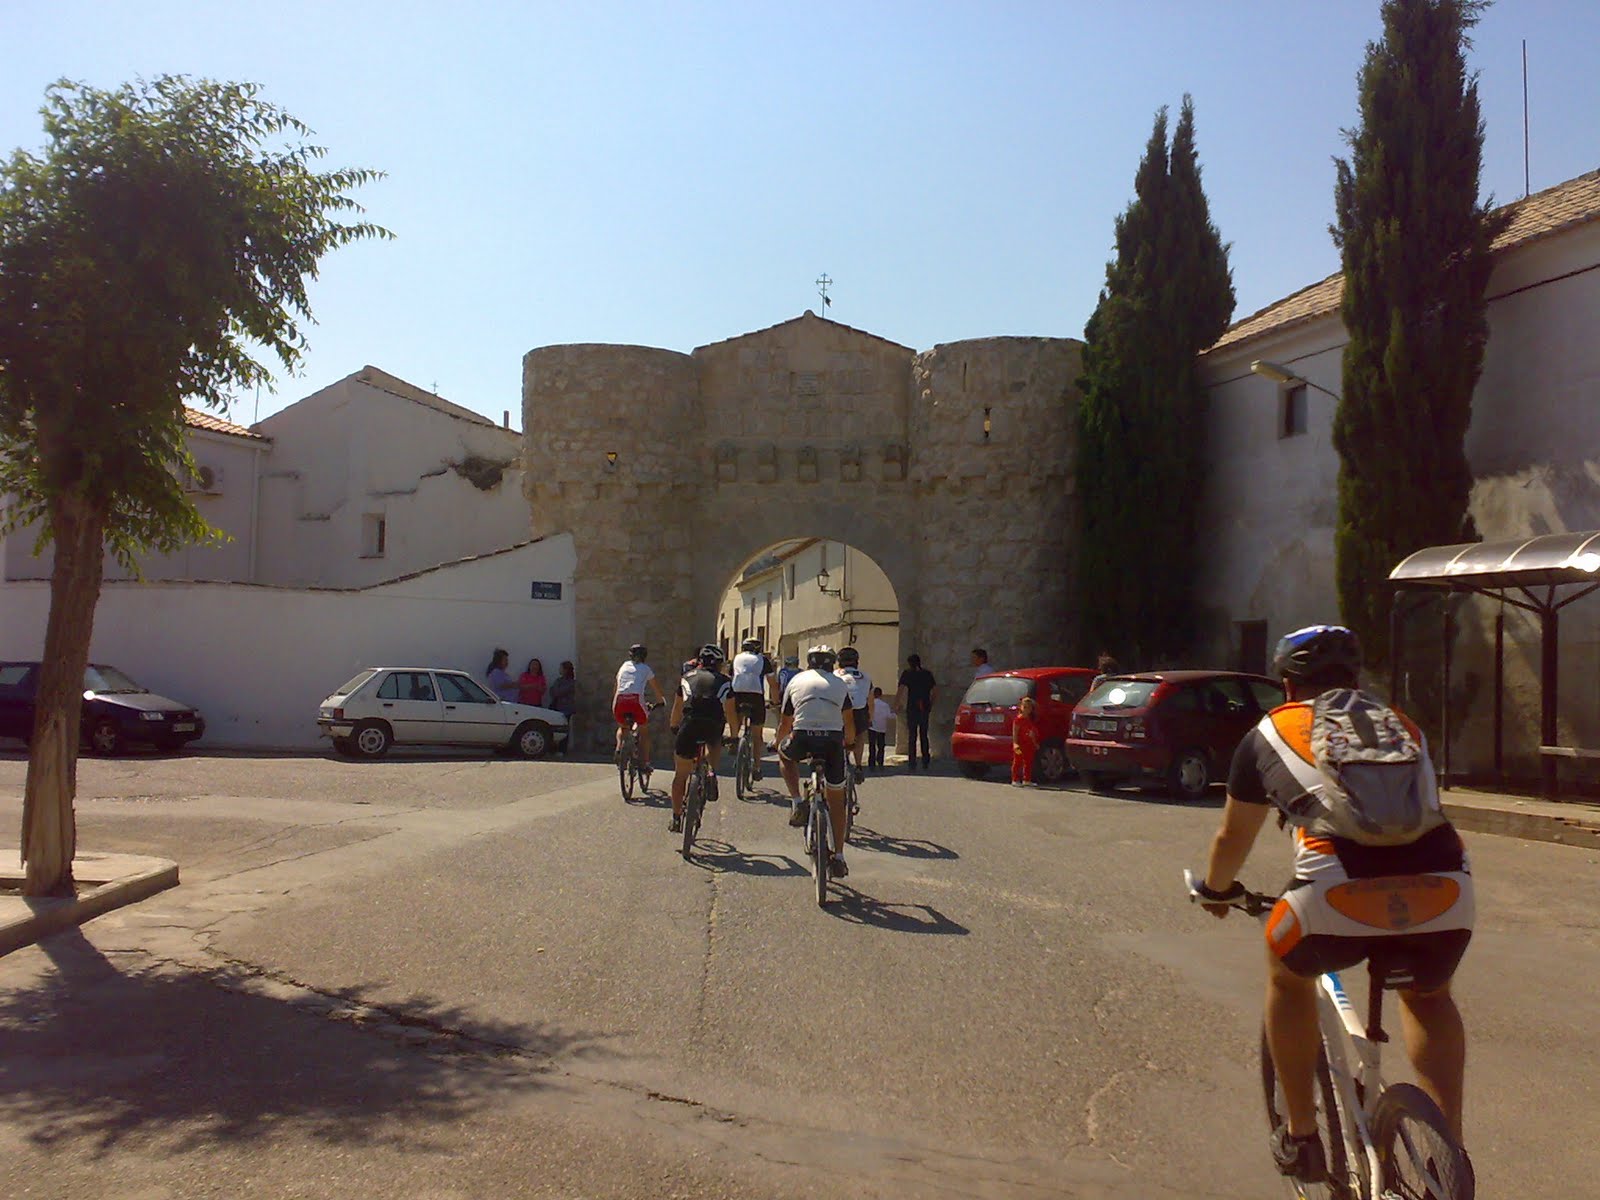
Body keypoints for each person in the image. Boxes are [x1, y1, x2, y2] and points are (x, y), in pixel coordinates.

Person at [1197, 624, 1475, 1187]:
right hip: (1445, 885)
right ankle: (1450, 1155)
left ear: (1285, 682)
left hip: (1336, 895)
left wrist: (1217, 890)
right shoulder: (1403, 726)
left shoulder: (1269, 731)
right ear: (1356, 678)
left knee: (1287, 975)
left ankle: (1302, 1137)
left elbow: (1232, 840)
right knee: (1428, 997)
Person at [776, 644, 857, 878]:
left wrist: (778, 742)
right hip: (832, 741)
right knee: (836, 799)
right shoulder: (840, 684)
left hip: (802, 737)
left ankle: (798, 800)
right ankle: (839, 856)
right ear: (832, 663)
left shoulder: (797, 681)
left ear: (809, 662)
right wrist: (849, 742)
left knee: (784, 755)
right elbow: (848, 721)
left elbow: (785, 722)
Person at [667, 645, 737, 834]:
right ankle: (712, 772)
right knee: (714, 742)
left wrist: (674, 726)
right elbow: (731, 712)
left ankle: (675, 817)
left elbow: (677, 707)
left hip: (689, 724)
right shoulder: (725, 681)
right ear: (720, 664)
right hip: (713, 725)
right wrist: (734, 736)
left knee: (680, 775)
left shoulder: (686, 678)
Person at [613, 644, 668, 769]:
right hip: (635, 700)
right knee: (644, 731)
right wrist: (661, 701)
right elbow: (656, 688)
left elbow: (616, 687)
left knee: (622, 727)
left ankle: (619, 748)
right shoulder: (645, 669)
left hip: (619, 700)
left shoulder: (623, 666)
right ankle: (645, 762)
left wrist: (614, 703)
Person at [729, 637, 778, 761]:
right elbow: (772, 684)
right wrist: (775, 702)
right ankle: (757, 766)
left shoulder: (736, 658)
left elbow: (730, 676)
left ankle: (734, 738)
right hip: (756, 696)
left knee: (736, 718)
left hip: (737, 693)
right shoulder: (763, 660)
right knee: (757, 735)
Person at [835, 646, 873, 783]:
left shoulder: (835, 675)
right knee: (860, 735)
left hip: (840, 710)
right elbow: (870, 700)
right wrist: (870, 717)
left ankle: (841, 760)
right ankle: (858, 766)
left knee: (839, 734)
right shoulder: (866, 677)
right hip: (860, 710)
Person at [896, 653, 937, 771]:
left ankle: (912, 761)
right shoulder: (927, 674)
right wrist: (931, 703)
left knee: (912, 735)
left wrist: (897, 704)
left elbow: (901, 690)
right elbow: (935, 690)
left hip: (912, 707)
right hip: (924, 706)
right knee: (924, 734)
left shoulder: (907, 674)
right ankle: (925, 760)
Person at [548, 660, 576, 754]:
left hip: (566, 709)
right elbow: (552, 691)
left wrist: (556, 691)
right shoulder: (559, 680)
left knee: (564, 729)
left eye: (561, 668)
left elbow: (559, 692)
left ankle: (562, 749)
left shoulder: (571, 682)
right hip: (557, 707)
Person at [1011, 695, 1040, 787]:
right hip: (1020, 744)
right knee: (1018, 761)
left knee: (1028, 762)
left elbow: (1031, 733)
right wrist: (1015, 743)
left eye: (1029, 707)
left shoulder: (1029, 719)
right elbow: (1015, 732)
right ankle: (1015, 779)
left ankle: (1026, 779)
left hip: (1029, 744)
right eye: (1025, 707)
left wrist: (1035, 743)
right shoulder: (1018, 720)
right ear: (1021, 707)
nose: (1027, 709)